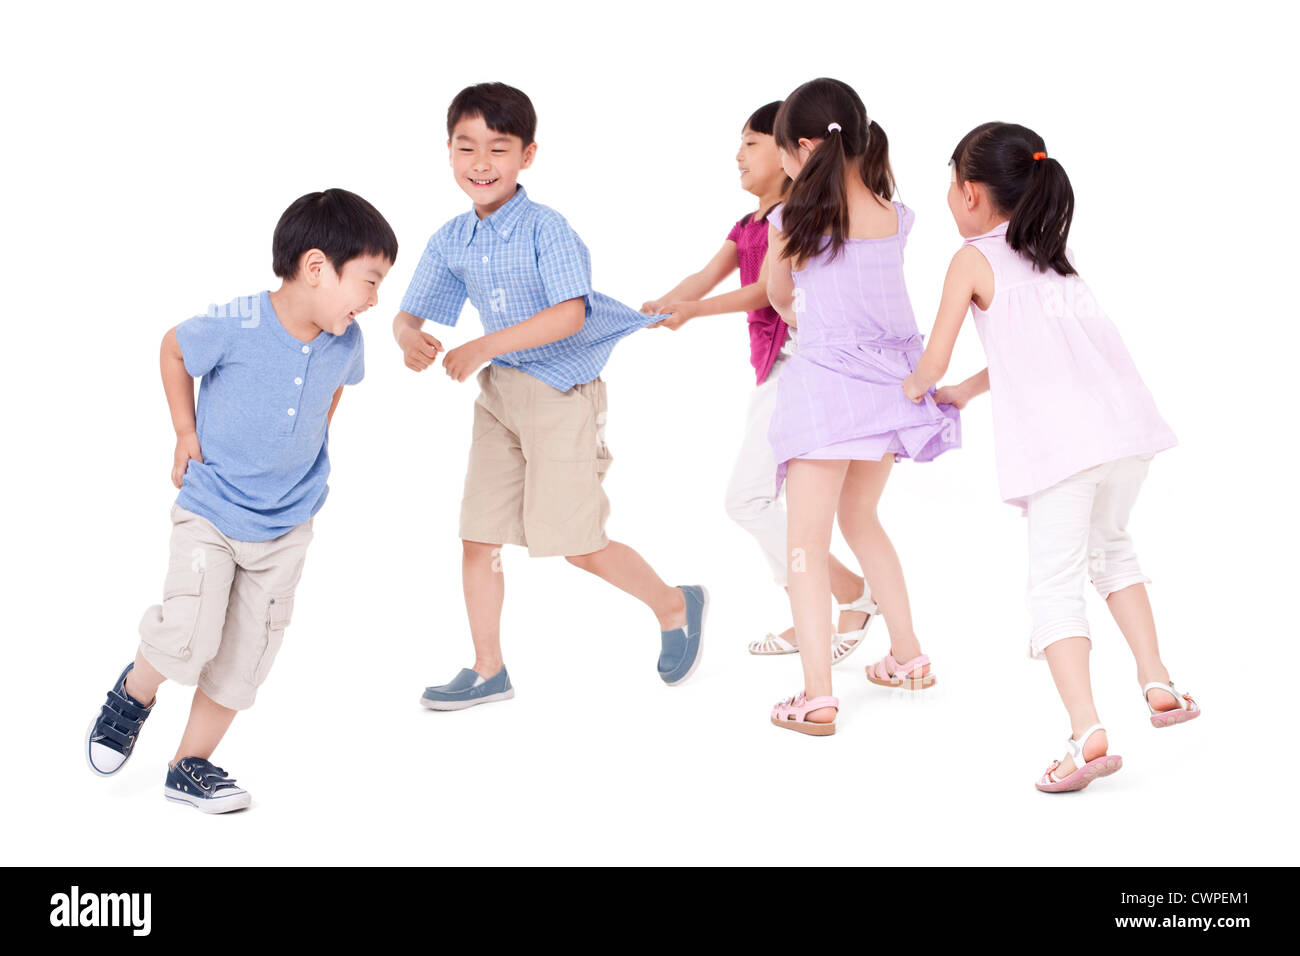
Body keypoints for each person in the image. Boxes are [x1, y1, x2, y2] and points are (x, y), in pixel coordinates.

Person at [393, 83, 707, 710]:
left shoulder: (547, 229)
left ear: (527, 156)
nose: (481, 163)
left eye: (498, 149)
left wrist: (481, 345)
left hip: (562, 393)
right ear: (449, 153)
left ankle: (676, 604)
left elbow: (569, 315)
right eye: (467, 147)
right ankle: (488, 669)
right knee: (479, 537)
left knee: (579, 546)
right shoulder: (452, 237)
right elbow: (409, 314)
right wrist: (409, 339)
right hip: (500, 397)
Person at [902, 122, 1195, 791]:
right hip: (1125, 436)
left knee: (1053, 588)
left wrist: (912, 389)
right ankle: (1159, 683)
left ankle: (1086, 733)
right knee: (1113, 549)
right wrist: (966, 395)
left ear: (971, 193)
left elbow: (936, 355)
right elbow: (1027, 354)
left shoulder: (972, 259)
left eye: (950, 185)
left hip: (1065, 450)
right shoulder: (1052, 257)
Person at [85, 189, 397, 811]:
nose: (373, 300)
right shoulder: (237, 323)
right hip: (213, 510)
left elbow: (333, 394)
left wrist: (303, 447)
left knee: (247, 654)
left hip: (287, 525)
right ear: (316, 267)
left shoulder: (347, 342)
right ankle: (134, 693)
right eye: (368, 281)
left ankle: (189, 764)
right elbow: (174, 347)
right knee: (187, 636)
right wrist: (184, 431)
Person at [641, 101, 876, 664]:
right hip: (775, 367)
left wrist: (694, 312)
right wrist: (666, 301)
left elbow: (766, 293)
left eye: (751, 143)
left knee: (746, 498)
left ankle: (846, 593)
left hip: (801, 365)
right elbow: (706, 274)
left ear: (789, 149)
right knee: (767, 501)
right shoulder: (748, 223)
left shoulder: (797, 214)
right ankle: (818, 606)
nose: (739, 155)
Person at [765, 78, 960, 736]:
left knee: (804, 545)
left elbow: (775, 293)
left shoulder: (794, 220)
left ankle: (817, 694)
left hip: (825, 395)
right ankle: (907, 655)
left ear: (803, 147)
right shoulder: (893, 214)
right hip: (890, 390)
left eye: (784, 153)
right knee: (863, 517)